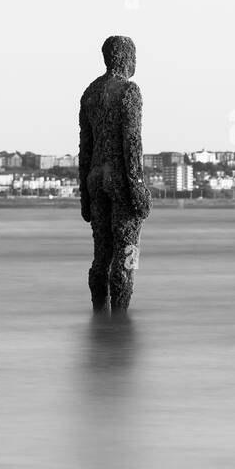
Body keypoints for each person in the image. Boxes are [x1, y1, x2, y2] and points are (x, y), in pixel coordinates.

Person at [79, 35, 151, 313]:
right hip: (120, 182)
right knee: (126, 251)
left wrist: (84, 198)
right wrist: (138, 189)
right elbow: (132, 143)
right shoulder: (128, 91)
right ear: (126, 58)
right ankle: (119, 321)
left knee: (101, 254)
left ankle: (99, 317)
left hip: (95, 180)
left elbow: (85, 149)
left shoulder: (90, 93)